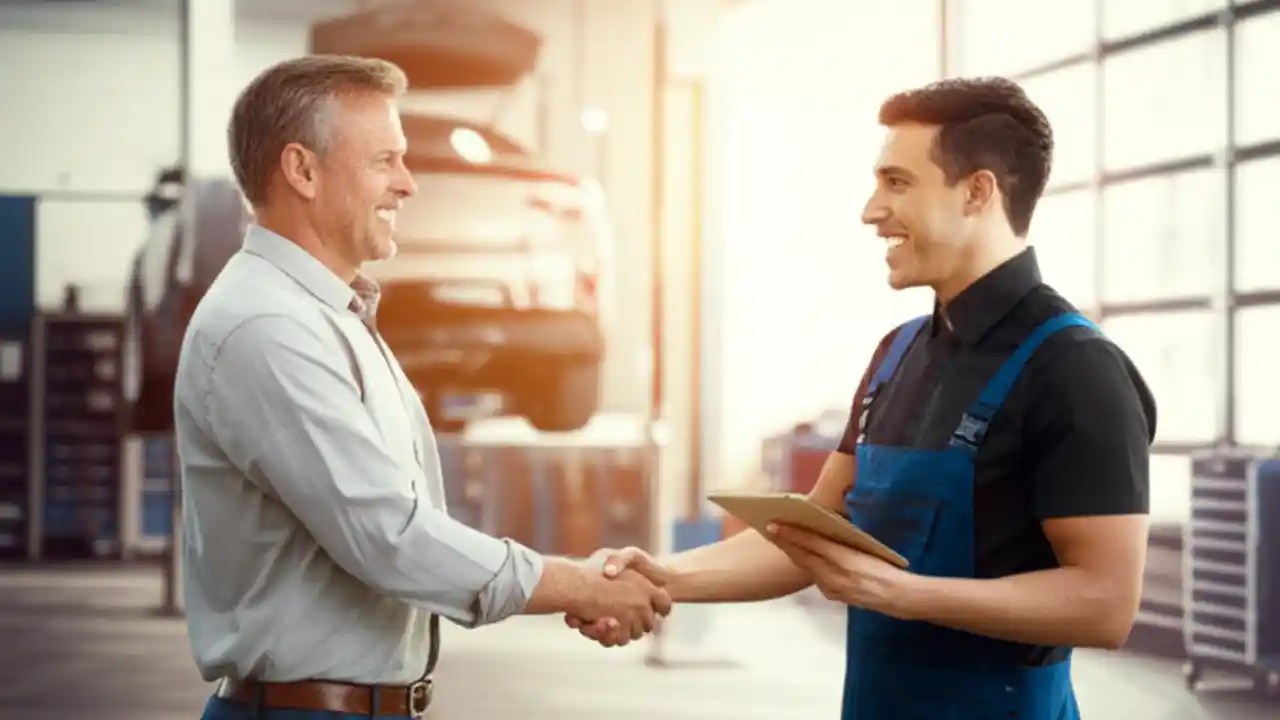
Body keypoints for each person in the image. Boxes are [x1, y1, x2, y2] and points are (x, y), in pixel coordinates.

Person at [571, 77, 1156, 718]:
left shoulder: (1077, 370)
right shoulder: (897, 354)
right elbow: (816, 535)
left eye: (897, 182)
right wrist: (663, 576)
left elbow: (1105, 603)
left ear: (978, 191)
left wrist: (903, 594)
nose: (871, 209)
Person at [173, 55, 670, 720]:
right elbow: (388, 537)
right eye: (385, 161)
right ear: (302, 170)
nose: (408, 184)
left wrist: (577, 586)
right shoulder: (268, 328)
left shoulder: (328, 317)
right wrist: (577, 585)